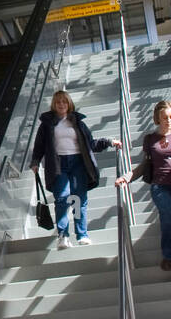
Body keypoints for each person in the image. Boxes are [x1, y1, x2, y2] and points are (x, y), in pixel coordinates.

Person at [115, 100, 171, 279]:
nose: (168, 120)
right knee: (170, 215)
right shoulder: (150, 139)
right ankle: (169, 253)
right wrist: (127, 177)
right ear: (157, 118)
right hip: (160, 186)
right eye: (164, 117)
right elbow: (145, 164)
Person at [30, 90, 122, 249]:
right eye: (58, 102)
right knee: (62, 198)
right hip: (58, 164)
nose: (61, 105)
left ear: (69, 104)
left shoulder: (78, 122)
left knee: (79, 200)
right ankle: (63, 236)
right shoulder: (47, 124)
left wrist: (109, 142)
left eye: (64, 102)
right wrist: (35, 161)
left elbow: (90, 143)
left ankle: (82, 234)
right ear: (54, 104)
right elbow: (39, 146)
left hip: (78, 162)